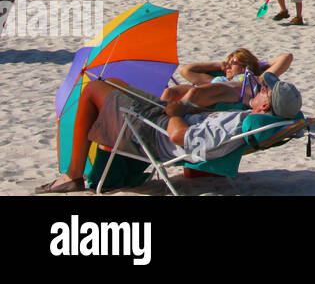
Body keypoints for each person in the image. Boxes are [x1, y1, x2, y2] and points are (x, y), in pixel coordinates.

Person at [36, 71, 301, 193]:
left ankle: (72, 175)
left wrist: (176, 113)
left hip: (154, 132)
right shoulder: (249, 119)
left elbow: (181, 138)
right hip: (163, 121)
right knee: (113, 83)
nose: (260, 88)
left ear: (266, 105)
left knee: (92, 90)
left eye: (264, 90)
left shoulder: (235, 126)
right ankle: (77, 171)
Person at [162, 49, 294, 107]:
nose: (228, 66)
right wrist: (217, 65)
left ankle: (172, 111)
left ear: (244, 65)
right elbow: (184, 70)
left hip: (225, 95)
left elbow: (287, 57)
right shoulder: (217, 79)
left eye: (233, 62)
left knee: (194, 92)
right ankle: (160, 115)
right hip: (210, 91)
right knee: (170, 92)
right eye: (227, 63)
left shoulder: (256, 79)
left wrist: (258, 65)